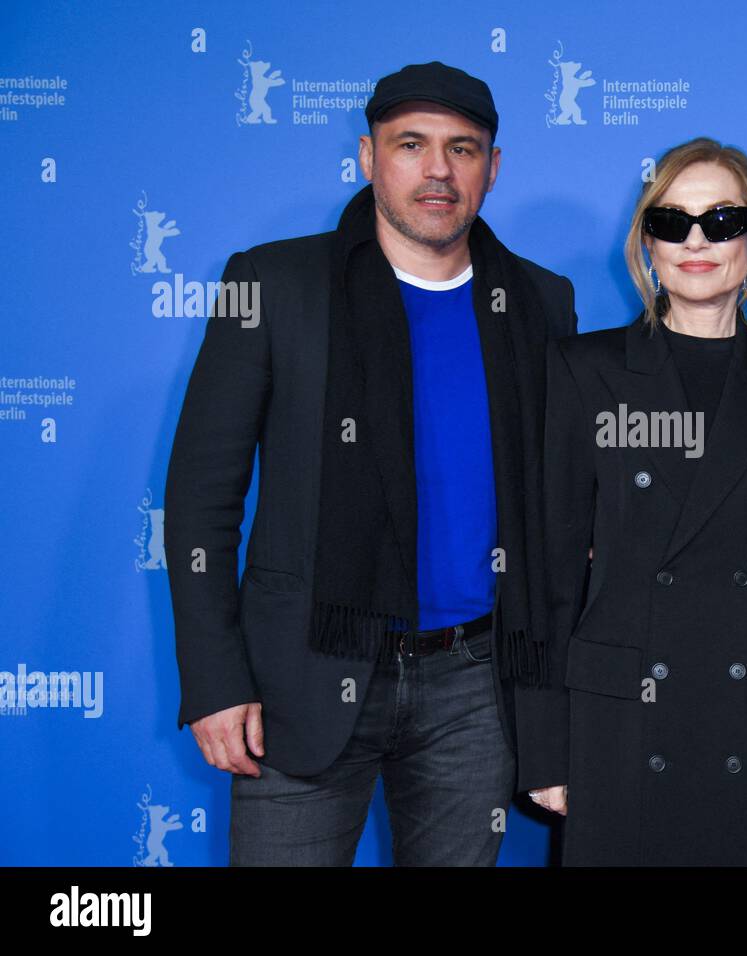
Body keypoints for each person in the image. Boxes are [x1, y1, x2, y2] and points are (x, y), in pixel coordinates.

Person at [164, 60, 577, 865]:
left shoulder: (539, 300)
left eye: (462, 149)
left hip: (475, 684)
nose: (436, 170)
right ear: (367, 157)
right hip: (303, 673)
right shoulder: (274, 284)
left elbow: (560, 503)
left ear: (494, 168)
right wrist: (216, 681)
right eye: (411, 144)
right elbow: (200, 500)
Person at [515, 137, 747, 865]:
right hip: (621, 724)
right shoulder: (583, 370)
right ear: (645, 243)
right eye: (671, 222)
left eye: (722, 222)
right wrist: (546, 747)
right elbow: (548, 572)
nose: (696, 241)